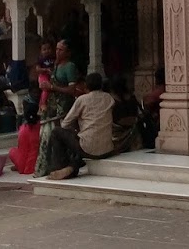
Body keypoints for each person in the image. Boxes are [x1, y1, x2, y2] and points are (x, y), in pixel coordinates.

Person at [45, 71, 115, 180]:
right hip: (107, 149)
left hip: (88, 148)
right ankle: (71, 168)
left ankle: (60, 167)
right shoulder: (109, 98)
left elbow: (65, 124)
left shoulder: (82, 99)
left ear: (86, 86)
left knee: (56, 132)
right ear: (101, 85)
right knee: (79, 138)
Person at [35, 40, 84, 178]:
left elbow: (72, 90)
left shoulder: (69, 67)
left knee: (62, 135)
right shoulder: (55, 66)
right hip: (52, 107)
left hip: (64, 108)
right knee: (47, 136)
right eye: (56, 49)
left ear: (68, 53)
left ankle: (65, 165)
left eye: (61, 50)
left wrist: (53, 87)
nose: (57, 52)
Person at [8, 107, 41, 175]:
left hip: (22, 163)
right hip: (36, 162)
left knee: (12, 151)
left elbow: (20, 146)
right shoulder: (41, 127)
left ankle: (18, 166)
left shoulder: (23, 129)